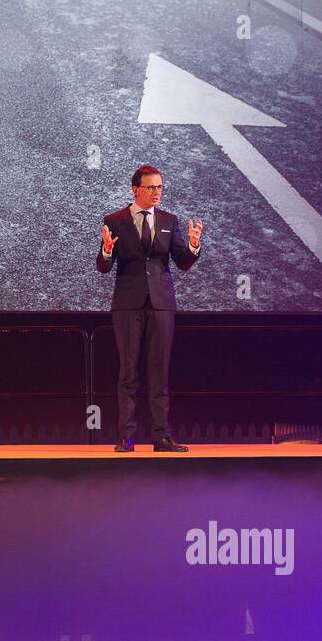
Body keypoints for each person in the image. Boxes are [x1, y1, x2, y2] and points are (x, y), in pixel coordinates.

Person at [96, 164, 203, 452]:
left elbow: (181, 261)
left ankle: (161, 436)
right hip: (128, 305)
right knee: (128, 373)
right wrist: (106, 249)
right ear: (136, 190)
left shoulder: (169, 219)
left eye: (160, 187)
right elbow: (103, 267)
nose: (157, 193)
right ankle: (126, 437)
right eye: (151, 187)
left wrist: (193, 246)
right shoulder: (115, 220)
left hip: (161, 304)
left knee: (160, 372)